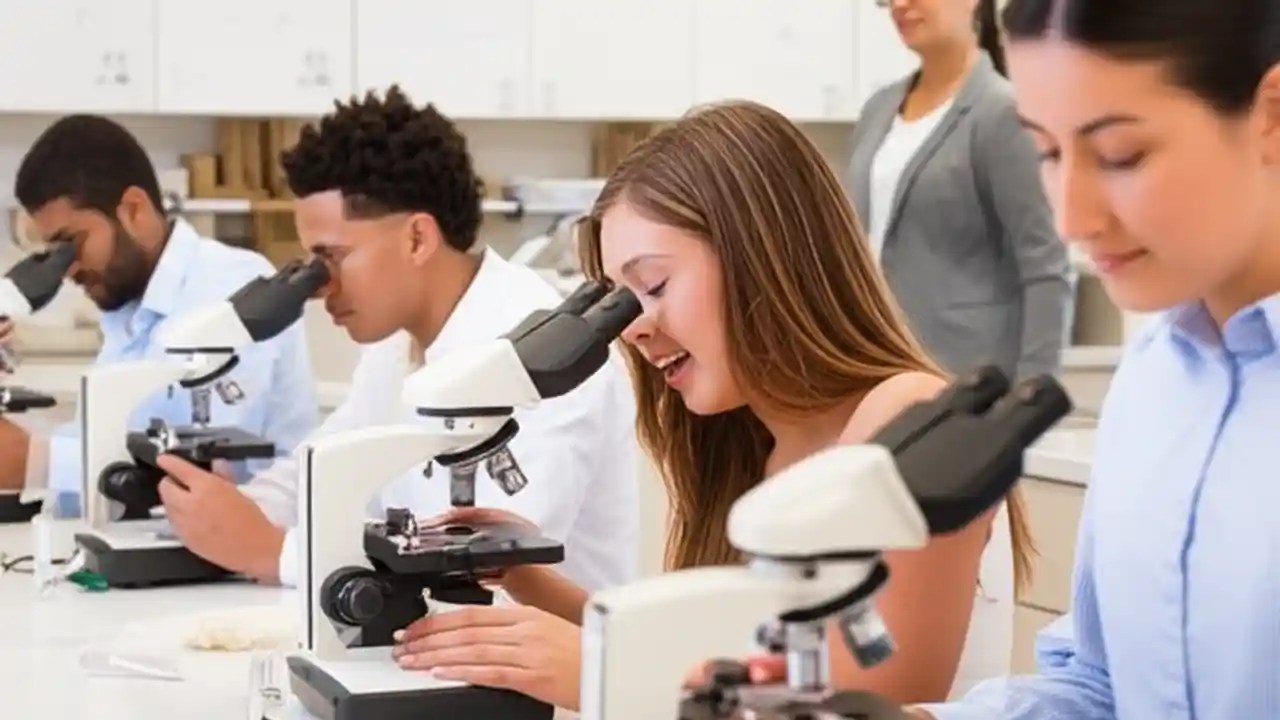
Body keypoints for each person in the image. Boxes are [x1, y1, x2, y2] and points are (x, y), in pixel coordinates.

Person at [389, 101, 1008, 711]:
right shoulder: (752, 451)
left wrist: (602, 676)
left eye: (654, 286)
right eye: (622, 303)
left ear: (764, 254)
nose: (633, 329)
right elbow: (711, 661)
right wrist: (530, 581)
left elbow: (873, 695)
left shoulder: (909, 418)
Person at [913, 0, 1280, 718]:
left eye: (1120, 156)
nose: (1072, 217)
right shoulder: (1152, 381)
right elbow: (1099, 684)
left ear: (1271, 112)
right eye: (1047, 153)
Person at [155, 86, 642, 592]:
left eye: (333, 257)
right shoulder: (397, 347)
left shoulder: (540, 353)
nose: (321, 288)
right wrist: (222, 513)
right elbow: (324, 468)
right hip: (429, 647)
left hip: (545, 654)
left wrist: (272, 551)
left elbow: (488, 568)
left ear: (417, 239)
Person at [0, 115, 315, 512]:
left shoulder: (230, 285)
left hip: (245, 551)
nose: (68, 269)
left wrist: (35, 461)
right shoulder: (126, 307)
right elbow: (101, 444)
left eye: (71, 244)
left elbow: (198, 461)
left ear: (133, 209)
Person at [848, 0, 1072, 381]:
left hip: (965, 383)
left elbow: (1045, 266)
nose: (899, 5)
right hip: (879, 371)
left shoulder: (1002, 112)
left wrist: (1032, 398)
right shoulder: (877, 110)